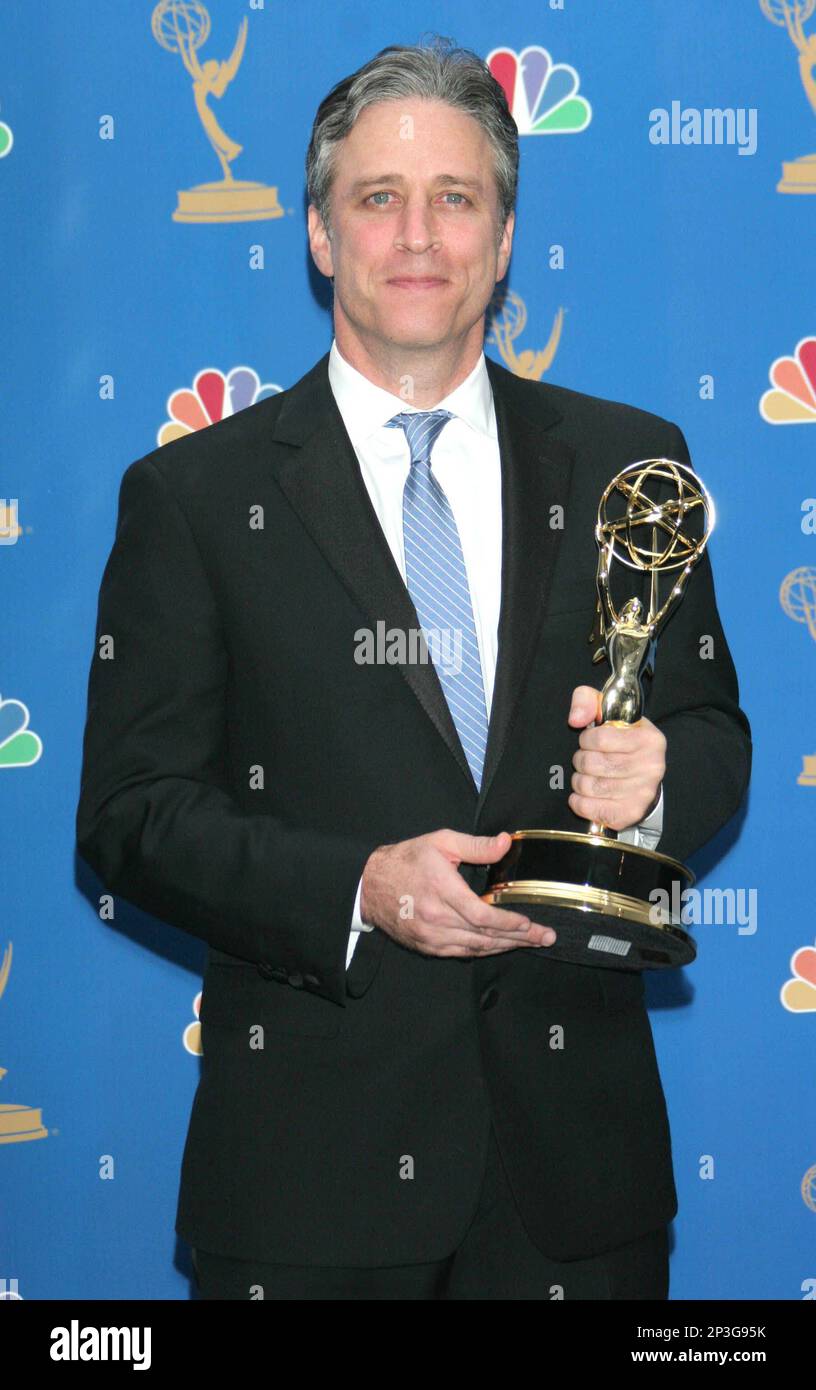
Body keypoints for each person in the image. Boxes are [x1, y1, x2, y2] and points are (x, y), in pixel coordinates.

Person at [75, 38, 751, 1300]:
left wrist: (652, 786)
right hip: (305, 1194)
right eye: (379, 198)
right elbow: (128, 817)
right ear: (322, 236)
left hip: (577, 1196)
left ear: (504, 241)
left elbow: (713, 731)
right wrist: (362, 888)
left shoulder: (629, 462)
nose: (419, 235)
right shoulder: (197, 499)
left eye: (458, 198)